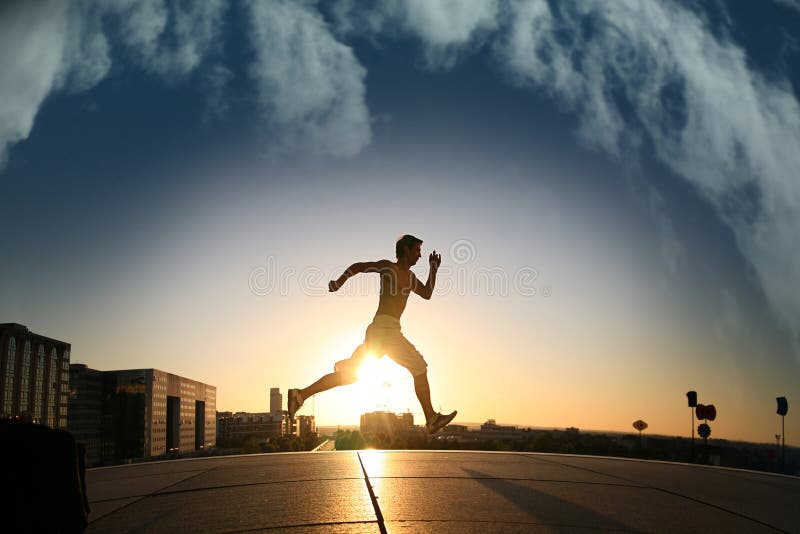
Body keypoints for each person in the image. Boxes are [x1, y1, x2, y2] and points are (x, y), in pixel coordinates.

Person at [288, 234, 457, 434]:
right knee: (419, 366)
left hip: (383, 331)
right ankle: (432, 419)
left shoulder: (411, 278)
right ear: (406, 250)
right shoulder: (388, 268)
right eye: (417, 251)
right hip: (384, 330)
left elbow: (427, 293)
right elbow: (360, 266)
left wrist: (433, 269)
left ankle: (300, 395)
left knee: (351, 376)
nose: (420, 255)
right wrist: (340, 281)